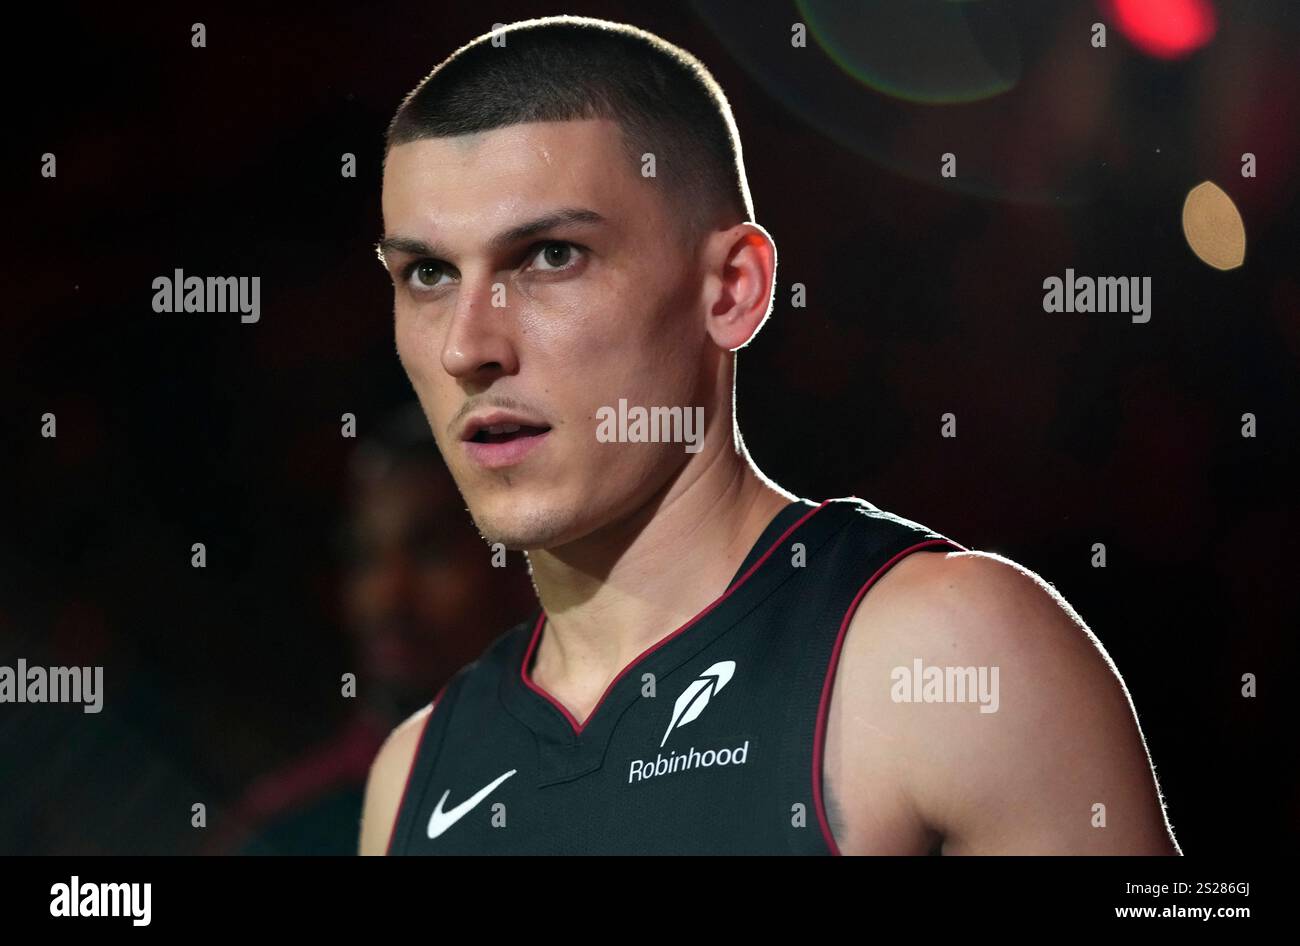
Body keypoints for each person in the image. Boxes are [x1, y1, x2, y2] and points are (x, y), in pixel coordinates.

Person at [361, 15, 1180, 855]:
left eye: (549, 257)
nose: (467, 347)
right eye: (428, 273)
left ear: (733, 289)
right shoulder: (414, 777)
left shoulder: (946, 657)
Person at [211, 406, 529, 854]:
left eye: (431, 551)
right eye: (366, 557)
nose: (386, 596)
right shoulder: (286, 826)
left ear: (518, 562)